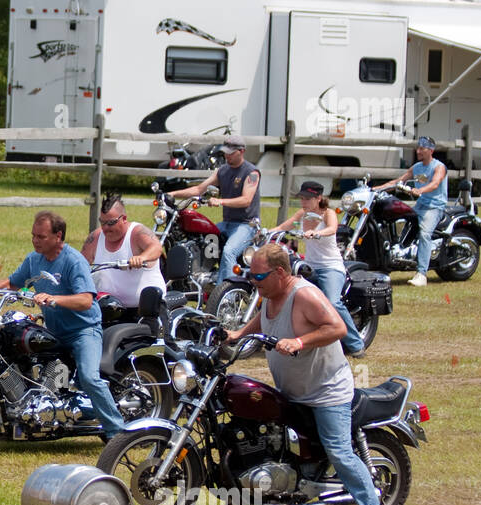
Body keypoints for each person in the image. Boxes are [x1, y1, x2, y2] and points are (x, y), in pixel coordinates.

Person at [227, 244, 394, 505]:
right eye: (251, 276)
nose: (254, 282)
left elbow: (338, 328)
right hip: (293, 390)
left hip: (327, 393)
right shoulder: (269, 294)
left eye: (259, 276)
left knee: (339, 451)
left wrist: (299, 342)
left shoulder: (304, 295)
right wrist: (239, 333)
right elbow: (265, 319)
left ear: (280, 273)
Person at [0, 211, 126, 436]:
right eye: (33, 236)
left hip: (83, 331)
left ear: (58, 236)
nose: (35, 241)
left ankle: (117, 433)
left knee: (89, 377)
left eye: (41, 237)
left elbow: (86, 300)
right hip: (55, 331)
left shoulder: (73, 260)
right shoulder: (34, 259)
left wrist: (54, 299)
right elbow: (14, 282)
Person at [271, 181, 366, 358]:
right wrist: (269, 231)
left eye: (308, 198)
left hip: (331, 267)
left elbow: (332, 228)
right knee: (289, 295)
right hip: (310, 266)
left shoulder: (328, 213)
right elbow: (286, 226)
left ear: (318, 198)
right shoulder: (303, 214)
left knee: (332, 302)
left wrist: (317, 233)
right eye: (302, 198)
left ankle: (356, 344)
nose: (304, 202)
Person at [167, 132, 260, 308]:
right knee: (200, 240)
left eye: (231, 152)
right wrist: (172, 194)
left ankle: (222, 297)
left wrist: (221, 201)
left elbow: (246, 199)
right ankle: (199, 282)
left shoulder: (251, 172)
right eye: (225, 152)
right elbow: (199, 189)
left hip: (246, 225)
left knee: (229, 252)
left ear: (242, 151)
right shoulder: (222, 171)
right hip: (226, 224)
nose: (227, 155)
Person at [377, 135, 446, 286]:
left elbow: (435, 184)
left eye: (422, 148)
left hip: (435, 206)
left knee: (425, 233)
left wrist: (420, 190)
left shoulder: (438, 167)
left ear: (431, 150)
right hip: (421, 205)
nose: (418, 151)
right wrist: (376, 189)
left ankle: (422, 274)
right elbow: (398, 181)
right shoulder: (416, 167)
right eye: (418, 148)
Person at [80, 194, 166, 309]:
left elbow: (156, 247)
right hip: (109, 308)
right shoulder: (96, 237)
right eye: (102, 222)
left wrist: (141, 258)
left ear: (124, 218)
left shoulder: (136, 232)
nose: (105, 228)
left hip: (146, 309)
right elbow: (80, 264)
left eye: (111, 223)